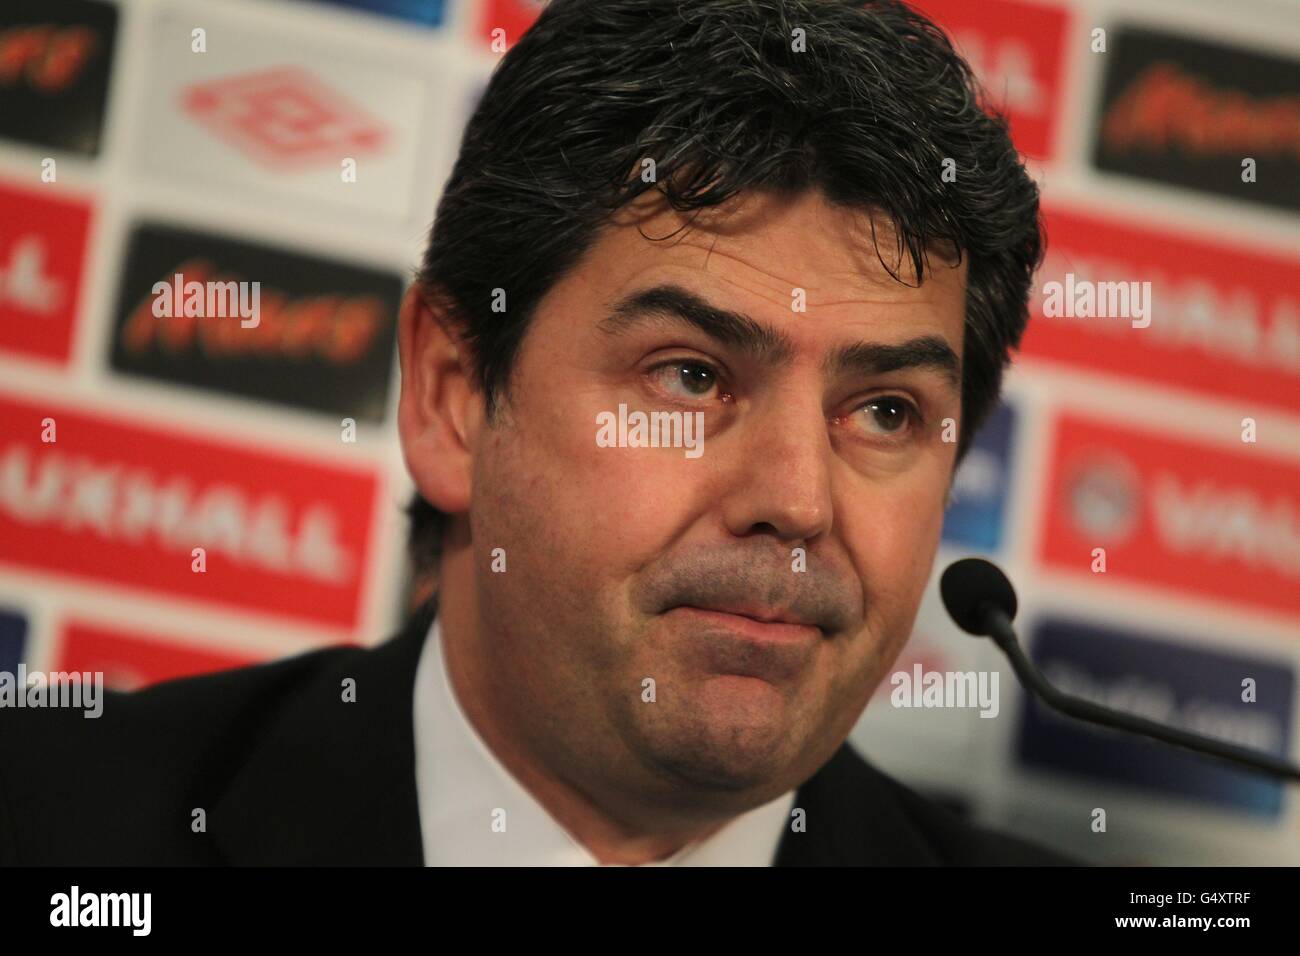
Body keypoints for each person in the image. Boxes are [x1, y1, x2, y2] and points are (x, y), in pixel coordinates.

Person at [0, 0, 1076, 866]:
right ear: (454, 395)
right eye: (692, 375)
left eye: (886, 411)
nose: (797, 500)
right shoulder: (48, 824)